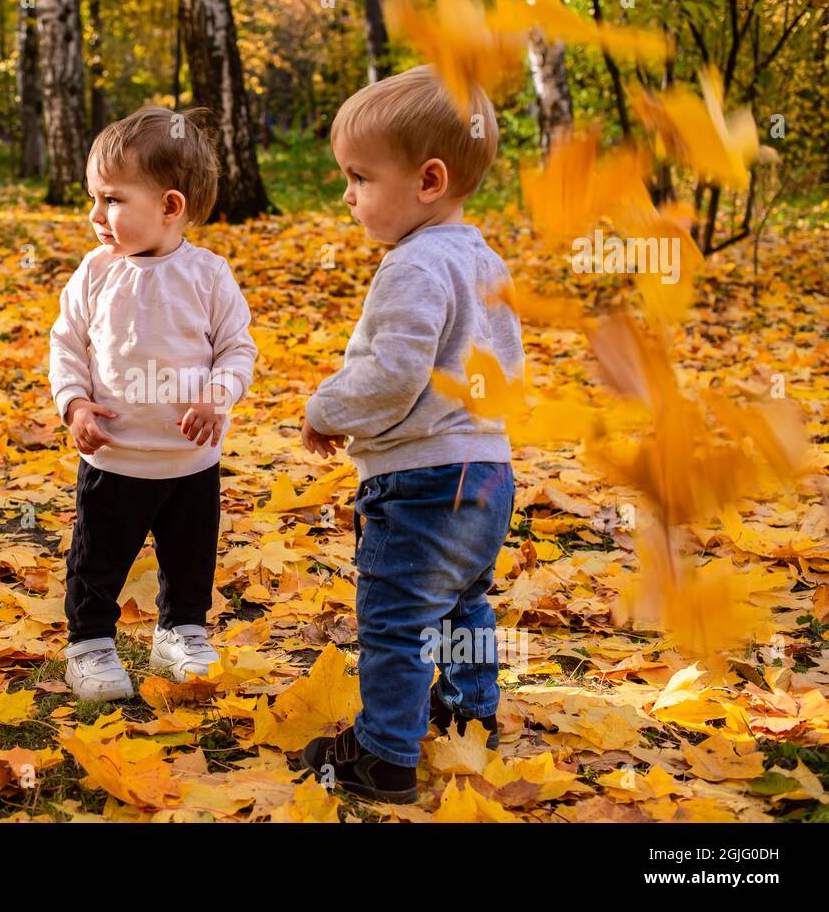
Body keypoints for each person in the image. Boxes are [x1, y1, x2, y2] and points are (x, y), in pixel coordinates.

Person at [297, 65, 524, 804]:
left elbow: (393, 375)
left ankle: (385, 754)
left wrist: (327, 410)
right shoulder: (484, 261)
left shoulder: (413, 265)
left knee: (394, 618)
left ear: (428, 180)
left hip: (422, 480)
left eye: (359, 177)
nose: (349, 194)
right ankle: (470, 714)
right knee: (464, 601)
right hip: (487, 471)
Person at [48, 105, 257, 702]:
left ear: (170, 206)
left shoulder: (209, 276)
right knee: (98, 559)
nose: (96, 215)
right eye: (94, 198)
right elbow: (66, 343)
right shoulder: (94, 274)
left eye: (112, 199)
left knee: (190, 556)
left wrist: (219, 395)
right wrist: (76, 406)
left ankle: (182, 631)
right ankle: (88, 643)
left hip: (191, 460)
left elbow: (237, 351)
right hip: (115, 457)